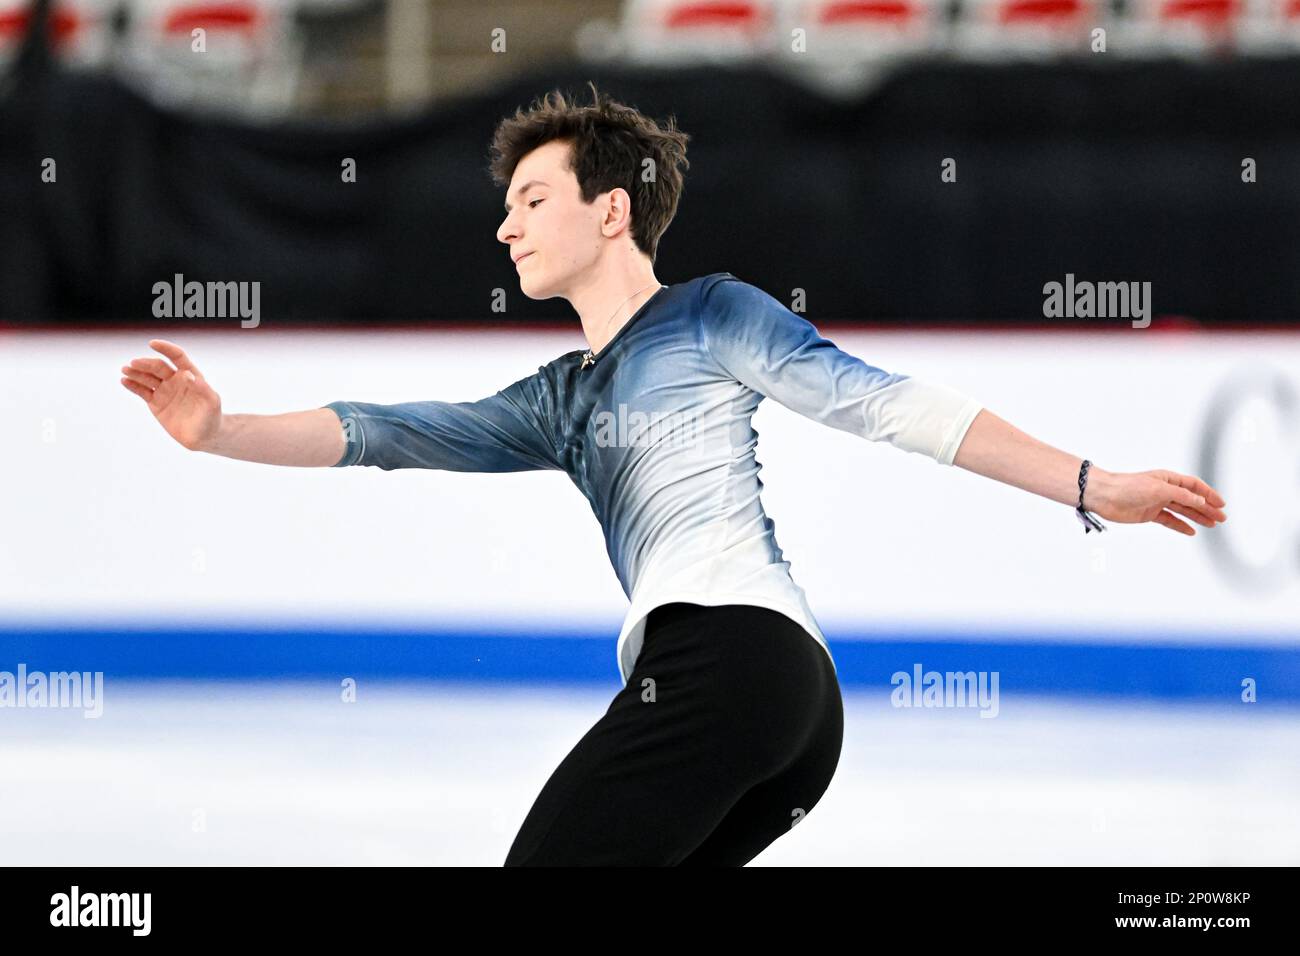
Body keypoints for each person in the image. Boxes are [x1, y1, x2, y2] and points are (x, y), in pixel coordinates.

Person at [119, 84, 1228, 866]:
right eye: (504, 207)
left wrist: (1091, 483)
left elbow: (888, 406)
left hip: (728, 664)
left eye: (531, 200)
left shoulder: (707, 314)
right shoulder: (558, 398)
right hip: (787, 712)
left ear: (611, 209)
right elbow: (386, 429)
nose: (505, 228)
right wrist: (222, 431)